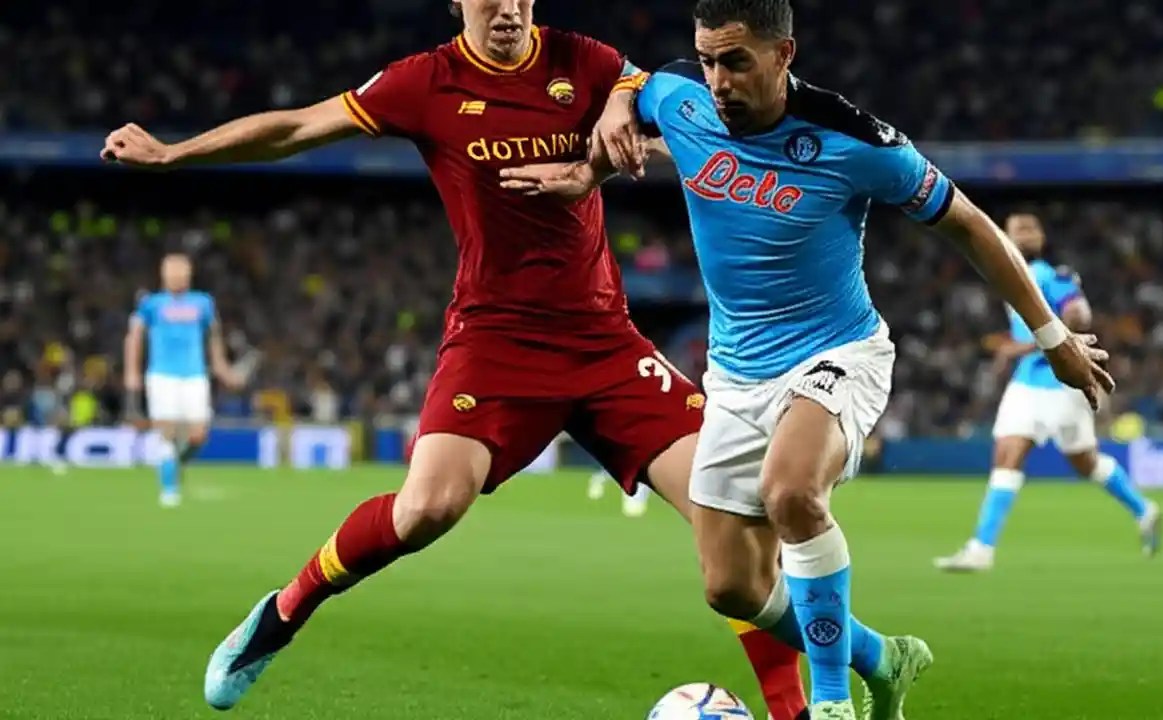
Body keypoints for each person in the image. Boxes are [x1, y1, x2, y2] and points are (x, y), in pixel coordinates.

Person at [101, 2, 808, 717]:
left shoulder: (584, 61)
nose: (507, 10)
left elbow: (657, 100)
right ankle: (282, 613)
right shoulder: (426, 82)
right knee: (428, 508)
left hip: (604, 343)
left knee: (737, 517)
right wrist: (173, 152)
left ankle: (797, 712)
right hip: (495, 341)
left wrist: (619, 123)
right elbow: (296, 127)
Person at [499, 1, 1114, 717]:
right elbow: (638, 84)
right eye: (707, 60)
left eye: (736, 61)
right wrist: (599, 150)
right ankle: (881, 658)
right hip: (734, 374)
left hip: (837, 352)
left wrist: (1054, 339)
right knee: (729, 585)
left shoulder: (853, 140)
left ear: (784, 54)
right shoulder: (680, 97)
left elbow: (972, 227)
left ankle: (829, 704)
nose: (718, 80)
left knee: (792, 491)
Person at [933, 213, 1162, 572]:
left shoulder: (1049, 274)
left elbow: (1078, 312)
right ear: (1003, 235)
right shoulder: (1006, 272)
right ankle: (1143, 510)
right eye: (1018, 229)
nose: (1026, 234)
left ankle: (982, 548)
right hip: (1031, 380)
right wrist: (1015, 350)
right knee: (1048, 457)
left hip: (1057, 379)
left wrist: (1040, 347)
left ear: (1041, 238)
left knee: (1048, 457)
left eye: (1032, 228)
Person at [123, 253, 240, 506]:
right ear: (163, 275)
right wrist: (132, 372)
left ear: (189, 274)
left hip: (195, 375)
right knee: (167, 432)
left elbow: (213, 336)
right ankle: (169, 489)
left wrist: (221, 366)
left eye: (181, 272)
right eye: (172, 272)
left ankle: (174, 464)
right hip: (162, 375)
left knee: (198, 435)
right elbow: (134, 336)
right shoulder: (151, 304)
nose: (177, 276)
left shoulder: (203, 303)